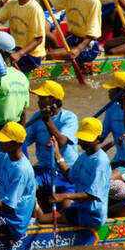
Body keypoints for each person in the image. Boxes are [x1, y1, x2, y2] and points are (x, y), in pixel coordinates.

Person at [25, 80, 78, 222]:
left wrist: (47, 121)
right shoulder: (36, 117)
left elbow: (60, 142)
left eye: (42, 98)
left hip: (65, 171)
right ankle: (37, 218)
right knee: (25, 184)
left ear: (53, 101)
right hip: (44, 169)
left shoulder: (70, 118)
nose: (38, 102)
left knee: (69, 212)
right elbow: (23, 142)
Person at [53, 117, 112, 229]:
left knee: (42, 219)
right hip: (80, 208)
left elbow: (92, 195)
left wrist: (64, 196)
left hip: (92, 216)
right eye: (81, 138)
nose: (81, 142)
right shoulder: (84, 156)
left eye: (86, 139)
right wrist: (57, 153)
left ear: (99, 139)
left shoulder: (100, 162)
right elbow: (71, 176)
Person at [52, 0, 103, 66]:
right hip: (73, 38)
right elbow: (50, 5)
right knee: (49, 52)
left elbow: (92, 34)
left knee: (51, 55)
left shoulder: (93, 2)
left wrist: (78, 49)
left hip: (87, 45)